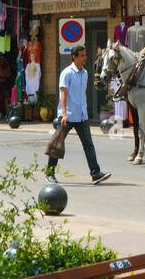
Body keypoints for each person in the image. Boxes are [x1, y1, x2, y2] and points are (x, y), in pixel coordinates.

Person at [45, 46, 110, 184]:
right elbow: (63, 94)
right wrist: (63, 114)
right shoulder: (67, 73)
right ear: (74, 57)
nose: (85, 58)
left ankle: (95, 173)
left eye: (85, 55)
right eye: (81, 55)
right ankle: (50, 174)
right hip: (67, 116)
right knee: (57, 145)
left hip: (82, 116)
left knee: (88, 145)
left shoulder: (85, 73)